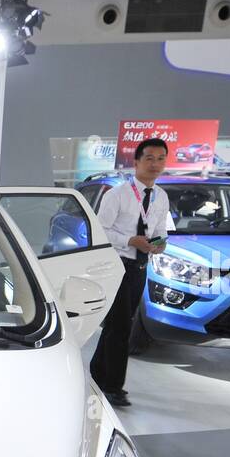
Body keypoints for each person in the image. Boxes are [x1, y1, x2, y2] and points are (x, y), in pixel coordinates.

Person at [89, 137, 170, 409]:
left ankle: (99, 374)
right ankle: (113, 386)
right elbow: (101, 231)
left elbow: (160, 231)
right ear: (136, 162)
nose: (155, 164)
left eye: (160, 159)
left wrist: (160, 243)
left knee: (119, 324)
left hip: (141, 266)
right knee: (121, 326)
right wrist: (129, 240)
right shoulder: (118, 194)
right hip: (117, 265)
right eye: (149, 158)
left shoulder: (161, 196)